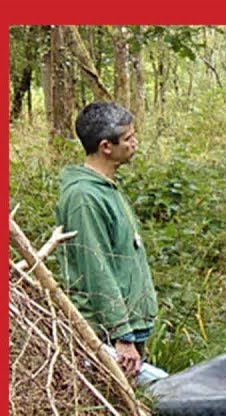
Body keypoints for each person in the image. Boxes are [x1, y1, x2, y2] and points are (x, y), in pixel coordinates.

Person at [55, 101, 157, 379]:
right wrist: (121, 335)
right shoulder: (84, 198)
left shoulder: (106, 188)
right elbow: (95, 268)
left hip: (126, 327)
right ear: (105, 147)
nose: (135, 143)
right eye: (128, 138)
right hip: (106, 334)